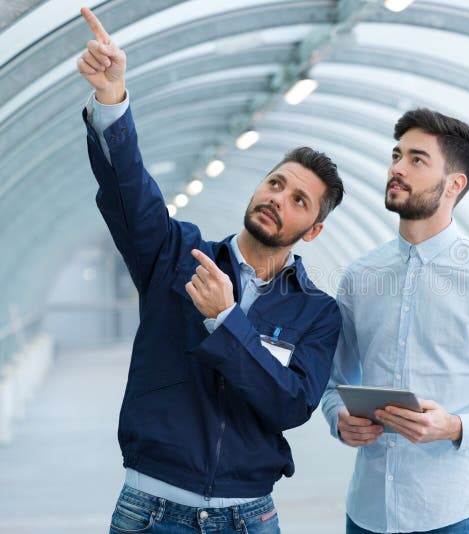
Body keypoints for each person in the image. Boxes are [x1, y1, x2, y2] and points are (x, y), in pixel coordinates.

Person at [76, 8, 344, 533]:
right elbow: (130, 190)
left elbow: (290, 405)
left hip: (250, 516)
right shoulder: (177, 254)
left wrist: (228, 321)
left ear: (311, 230)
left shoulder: (317, 313)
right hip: (150, 511)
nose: (277, 199)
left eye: (298, 200)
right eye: (274, 183)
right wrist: (112, 98)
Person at [320, 108, 469, 533]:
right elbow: (332, 382)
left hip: (453, 514)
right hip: (367, 512)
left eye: (417, 159)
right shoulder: (361, 275)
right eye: (396, 155)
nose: (397, 168)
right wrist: (338, 417)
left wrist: (456, 426)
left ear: (455, 184)